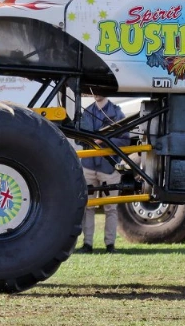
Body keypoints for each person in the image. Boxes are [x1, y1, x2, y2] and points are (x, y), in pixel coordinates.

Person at [79, 94, 128, 253]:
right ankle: (87, 244)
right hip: (88, 166)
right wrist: (99, 139)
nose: (96, 92)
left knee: (111, 208)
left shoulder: (117, 112)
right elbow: (80, 138)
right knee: (88, 207)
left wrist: (101, 140)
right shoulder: (87, 112)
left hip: (109, 167)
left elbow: (125, 140)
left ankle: (110, 245)